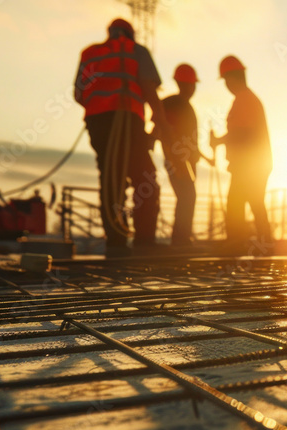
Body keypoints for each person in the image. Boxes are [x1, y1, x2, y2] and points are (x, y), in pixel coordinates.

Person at [73, 18, 171, 257]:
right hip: (127, 120)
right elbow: (148, 87)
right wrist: (162, 122)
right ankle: (145, 240)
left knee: (110, 178)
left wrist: (101, 105)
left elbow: (78, 93)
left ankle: (116, 240)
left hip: (97, 123)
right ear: (131, 34)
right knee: (143, 177)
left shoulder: (90, 53)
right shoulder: (136, 51)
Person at [209, 55, 274, 252]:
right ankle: (264, 244)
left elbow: (241, 133)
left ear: (232, 78)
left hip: (250, 164)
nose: (226, 86)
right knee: (254, 202)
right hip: (255, 163)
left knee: (237, 203)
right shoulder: (247, 99)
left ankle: (237, 245)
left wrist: (218, 141)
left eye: (226, 81)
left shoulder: (244, 99)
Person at [160, 63, 204, 247]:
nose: (192, 89)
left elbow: (189, 139)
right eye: (191, 84)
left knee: (186, 196)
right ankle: (180, 239)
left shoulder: (183, 106)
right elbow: (161, 128)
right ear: (184, 84)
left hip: (183, 160)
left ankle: (181, 237)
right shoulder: (174, 104)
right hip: (176, 159)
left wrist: (201, 155)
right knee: (188, 195)